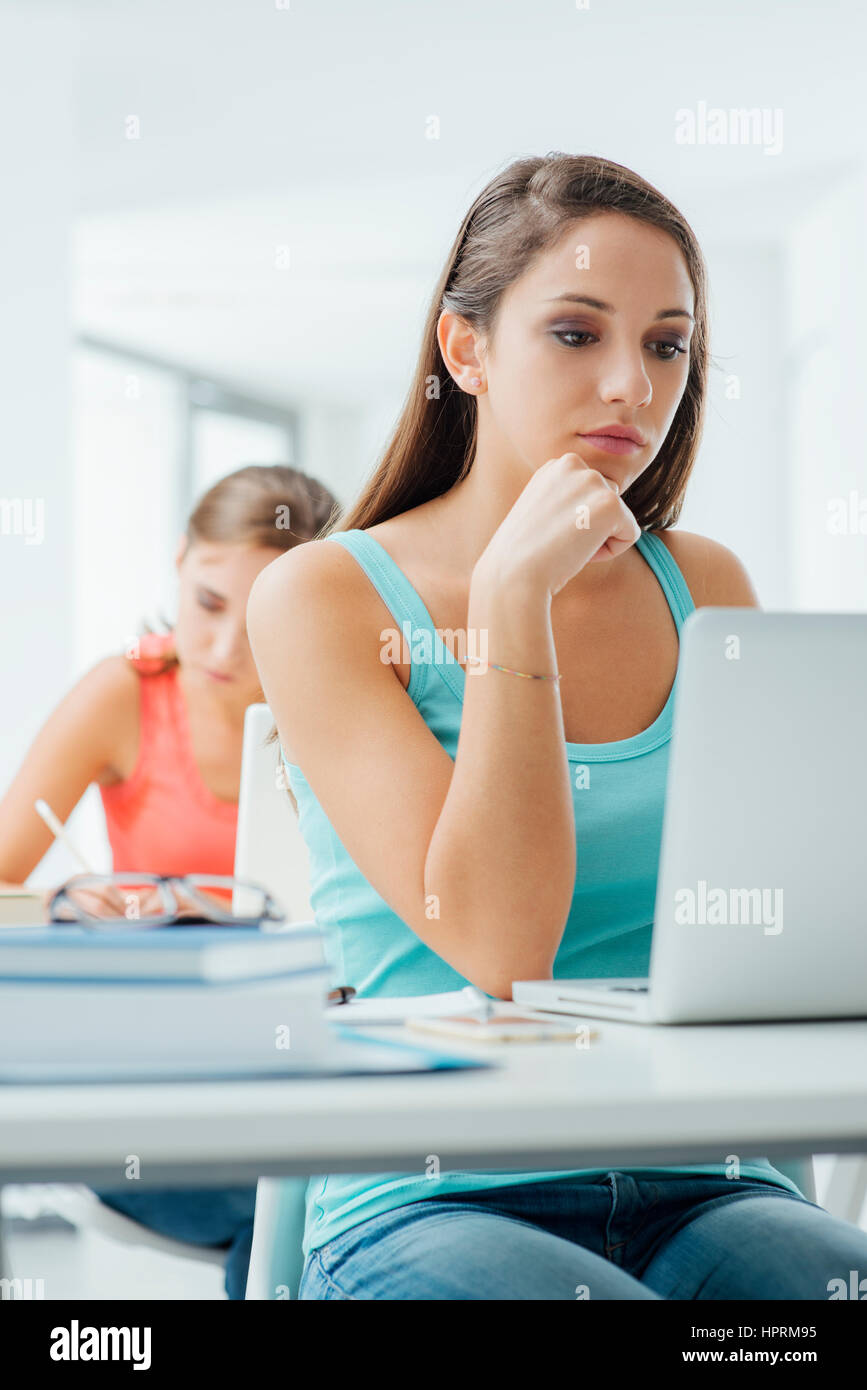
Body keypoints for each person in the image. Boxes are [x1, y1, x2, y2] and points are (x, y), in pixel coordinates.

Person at [247, 153, 867, 1300]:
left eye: (668, 343)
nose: (633, 383)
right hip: (432, 1194)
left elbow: (790, 926)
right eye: (578, 334)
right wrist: (508, 599)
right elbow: (503, 946)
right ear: (465, 350)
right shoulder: (322, 596)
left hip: (707, 1179)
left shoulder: (706, 585)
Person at [0, 463, 339, 1299]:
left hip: (294, 1071)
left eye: (259, 621)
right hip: (149, 1090)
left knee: (331, 1192)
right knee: (289, 1207)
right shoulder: (124, 694)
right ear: (180, 562)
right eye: (209, 603)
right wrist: (73, 905)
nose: (223, 650)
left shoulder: (339, 708)